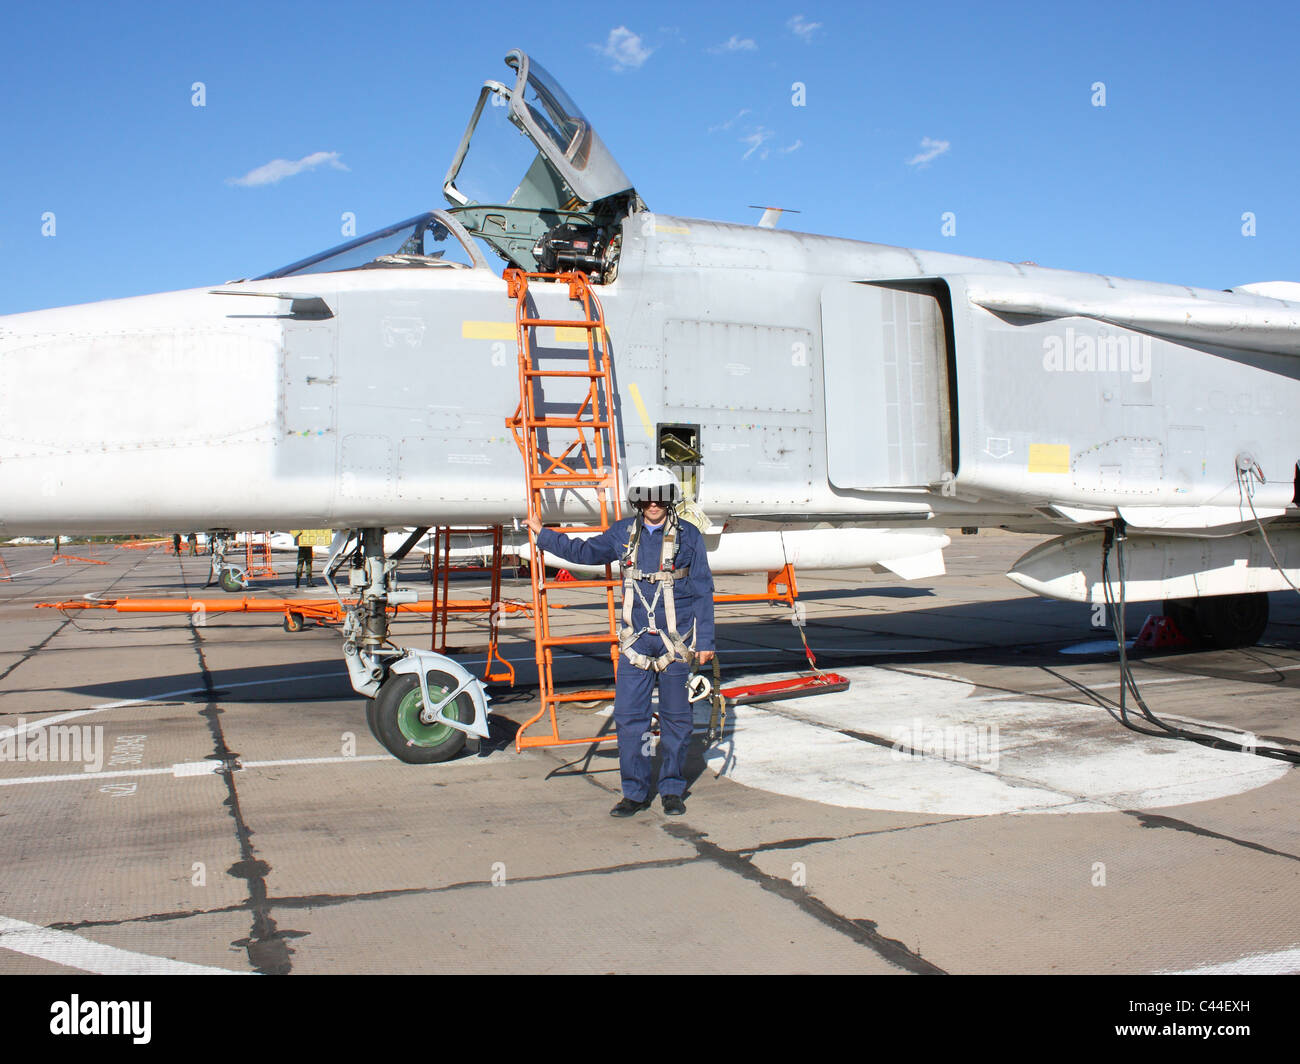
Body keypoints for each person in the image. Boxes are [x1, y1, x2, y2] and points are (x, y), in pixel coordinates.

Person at [527, 465, 715, 818]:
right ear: (637, 501)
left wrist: (706, 640)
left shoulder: (690, 536)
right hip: (636, 645)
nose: (654, 504)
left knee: (677, 720)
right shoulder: (623, 533)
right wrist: (544, 535)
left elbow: (703, 587)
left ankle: (672, 788)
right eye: (646, 497)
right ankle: (635, 792)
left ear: (670, 499)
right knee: (630, 720)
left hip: (677, 644)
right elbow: (584, 553)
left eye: (660, 496)